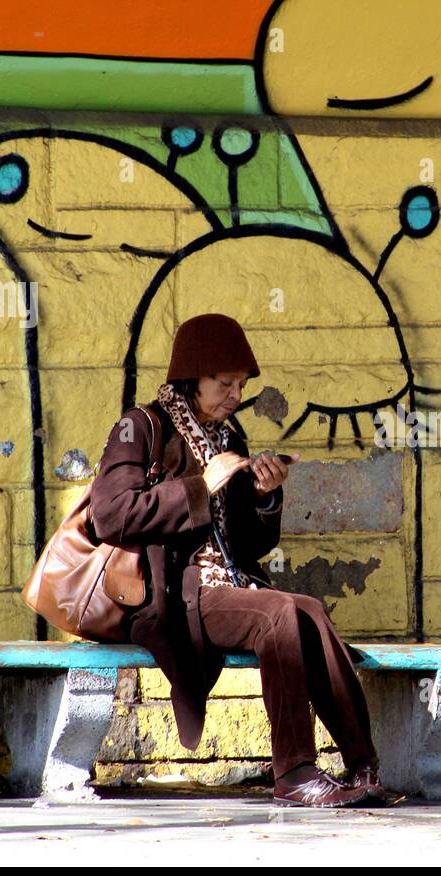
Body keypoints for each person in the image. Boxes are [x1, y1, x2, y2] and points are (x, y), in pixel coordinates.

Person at [90, 313, 396, 808]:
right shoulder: (142, 427)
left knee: (309, 609)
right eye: (223, 382)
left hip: (231, 585)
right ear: (191, 376)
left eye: (241, 384)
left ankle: (363, 764)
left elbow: (247, 545)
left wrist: (264, 496)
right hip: (173, 596)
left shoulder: (230, 438)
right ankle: (294, 772)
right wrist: (198, 486)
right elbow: (110, 516)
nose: (234, 394)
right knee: (278, 615)